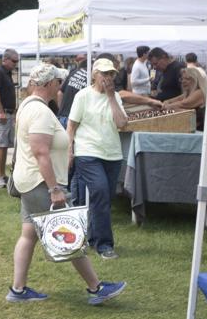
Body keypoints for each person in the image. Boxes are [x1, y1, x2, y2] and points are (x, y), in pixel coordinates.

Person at [7, 62, 127, 305]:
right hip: (41, 183)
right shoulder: (40, 111)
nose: (60, 86)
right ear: (50, 84)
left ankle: (18, 290)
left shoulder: (29, 106)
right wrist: (55, 189)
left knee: (28, 234)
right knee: (70, 233)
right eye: (58, 82)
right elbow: (41, 152)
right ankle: (96, 288)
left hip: (28, 181)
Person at [67, 58, 128, 260]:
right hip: (88, 152)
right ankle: (105, 245)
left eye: (111, 74)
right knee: (100, 192)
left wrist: (111, 97)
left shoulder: (116, 96)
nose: (108, 78)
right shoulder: (83, 96)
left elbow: (121, 124)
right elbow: (71, 126)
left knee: (103, 198)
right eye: (104, 73)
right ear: (94, 75)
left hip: (112, 154)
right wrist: (70, 150)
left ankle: (93, 238)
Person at [0, 49, 19, 189]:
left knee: (5, 145)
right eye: (14, 61)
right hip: (0, 114)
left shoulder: (7, 73)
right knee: (1, 145)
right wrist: (1, 111)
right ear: (5, 59)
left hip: (8, 113)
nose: (15, 64)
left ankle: (3, 175)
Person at [57, 53, 88, 127]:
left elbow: (60, 93)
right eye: (77, 60)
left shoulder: (73, 72)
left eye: (79, 60)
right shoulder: (91, 78)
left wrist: (61, 110)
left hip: (63, 117)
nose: (77, 61)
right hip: (76, 120)